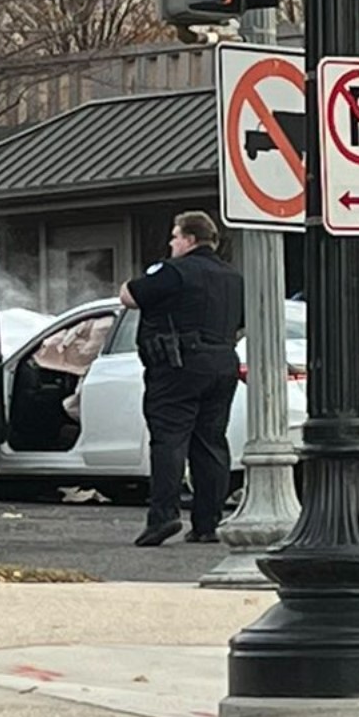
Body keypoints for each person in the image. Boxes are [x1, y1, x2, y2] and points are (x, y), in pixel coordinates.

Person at [119, 210, 244, 548]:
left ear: (189, 240)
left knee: (170, 440)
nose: (171, 243)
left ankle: (163, 517)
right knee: (211, 443)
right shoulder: (233, 276)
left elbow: (129, 296)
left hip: (178, 366)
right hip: (223, 364)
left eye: (174, 237)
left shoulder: (173, 271)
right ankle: (207, 524)